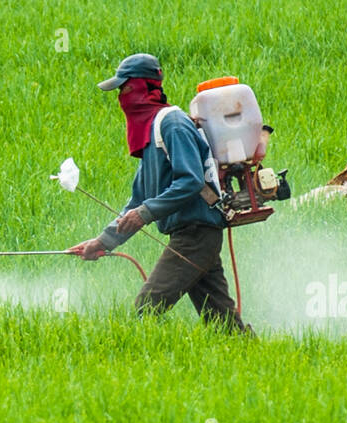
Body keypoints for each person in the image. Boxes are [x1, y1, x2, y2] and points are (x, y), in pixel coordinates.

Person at [68, 53, 250, 334]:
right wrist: (103, 241)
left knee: (147, 309)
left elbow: (189, 181)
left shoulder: (172, 124)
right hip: (192, 235)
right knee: (221, 323)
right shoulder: (152, 134)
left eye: (124, 88)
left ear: (143, 87)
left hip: (196, 234)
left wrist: (146, 214)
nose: (121, 97)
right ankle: (250, 357)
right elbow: (137, 201)